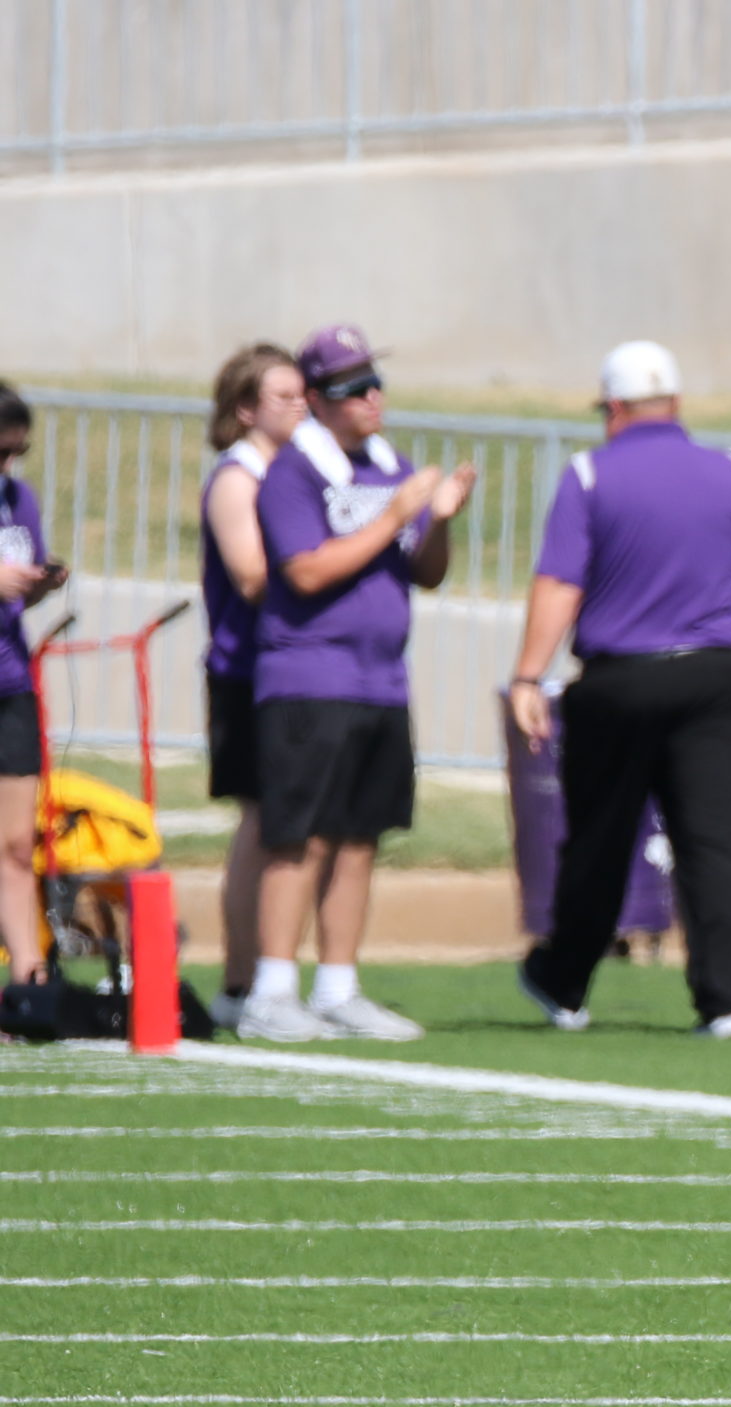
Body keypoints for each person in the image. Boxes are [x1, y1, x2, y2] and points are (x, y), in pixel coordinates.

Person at [512, 341, 731, 1041]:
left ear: (615, 408)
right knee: (716, 839)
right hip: (713, 672)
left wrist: (529, 674)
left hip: (621, 678)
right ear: (675, 404)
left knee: (600, 835)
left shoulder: (590, 473)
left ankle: (565, 981)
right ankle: (725, 1000)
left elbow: (560, 584)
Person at [238, 325, 474, 1043]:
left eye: (375, 384)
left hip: (380, 682)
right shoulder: (293, 473)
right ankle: (271, 989)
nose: (372, 398)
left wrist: (435, 521)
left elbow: (425, 570)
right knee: (298, 839)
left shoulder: (386, 464)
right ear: (315, 400)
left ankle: (338, 985)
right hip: (309, 677)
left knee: (359, 836)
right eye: (351, 389)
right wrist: (399, 513)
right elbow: (305, 569)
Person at [199, 345, 307, 1030]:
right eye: (285, 396)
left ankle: (278, 978)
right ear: (247, 409)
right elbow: (253, 574)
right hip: (247, 672)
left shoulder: (296, 473)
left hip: (290, 669)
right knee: (262, 823)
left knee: (290, 824)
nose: (302, 406)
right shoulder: (239, 477)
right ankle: (240, 982)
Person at [0, 385, 66, 995]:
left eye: (17, 452)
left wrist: (39, 584)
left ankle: (27, 977)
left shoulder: (20, 500)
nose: (9, 466)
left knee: (18, 842)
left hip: (9, 681)